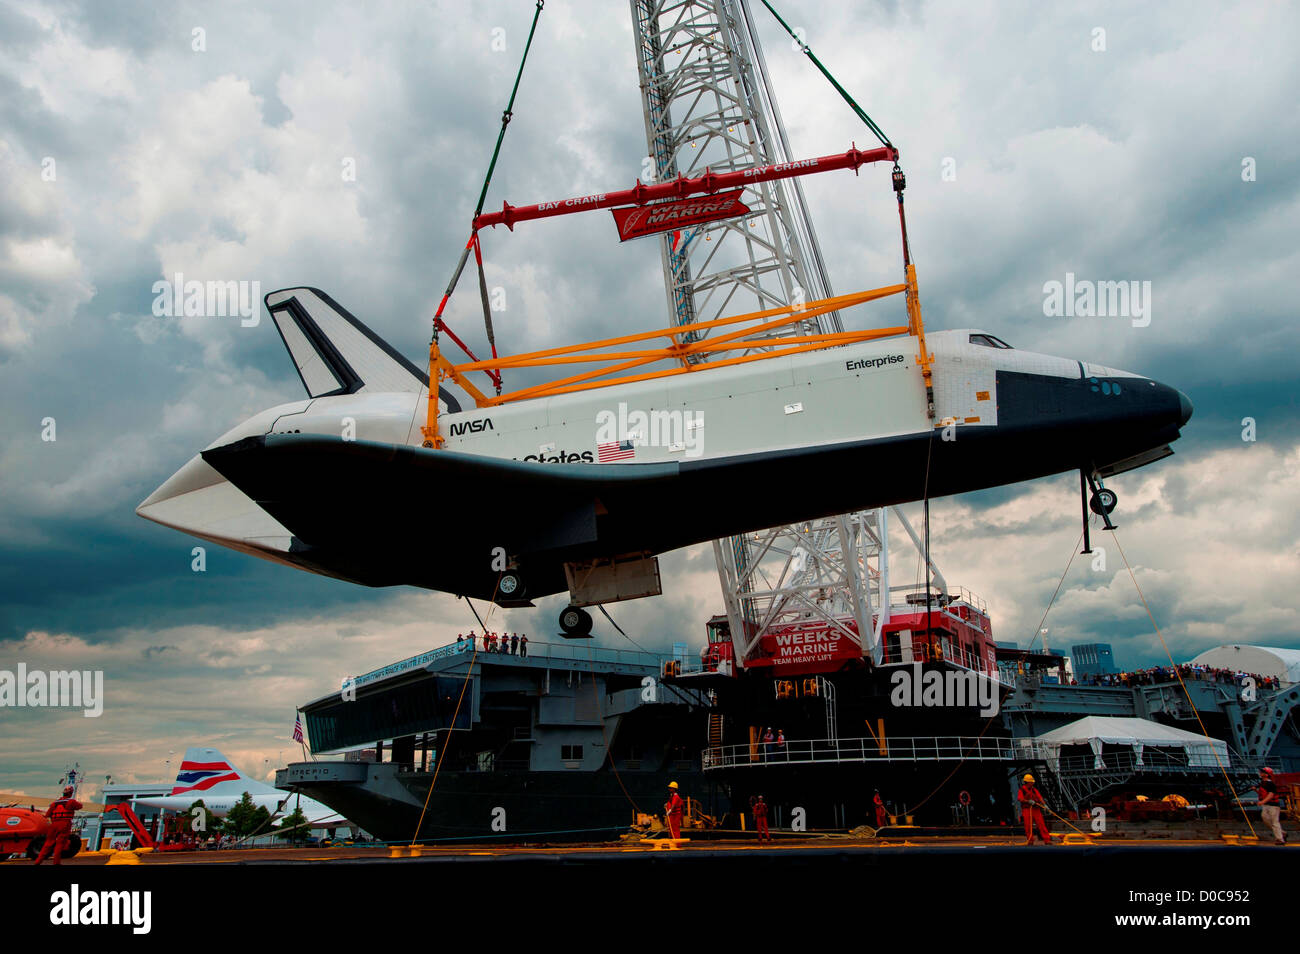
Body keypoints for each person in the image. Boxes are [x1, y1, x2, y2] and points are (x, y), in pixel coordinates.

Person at [34, 785, 83, 865]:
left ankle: (38, 862)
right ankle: (56, 863)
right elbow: (80, 806)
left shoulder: (54, 803)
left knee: (48, 843)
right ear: (71, 793)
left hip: (54, 824)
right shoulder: (71, 802)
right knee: (60, 844)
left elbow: (47, 814)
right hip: (65, 824)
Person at [1017, 773, 1052, 845]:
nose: (1033, 783)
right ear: (1027, 782)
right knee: (1028, 826)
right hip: (1027, 809)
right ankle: (1030, 840)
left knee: (1041, 824)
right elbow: (1020, 799)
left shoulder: (1034, 790)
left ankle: (1047, 839)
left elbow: (1040, 797)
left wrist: (1044, 805)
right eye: (1031, 782)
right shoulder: (1022, 790)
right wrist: (1028, 801)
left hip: (1036, 809)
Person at [1257, 767, 1287, 845]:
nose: (1260, 773)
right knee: (1265, 819)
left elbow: (1271, 794)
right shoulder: (1262, 783)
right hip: (1266, 805)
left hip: (1273, 806)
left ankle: (1280, 839)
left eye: (1262, 772)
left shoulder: (1270, 784)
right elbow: (1263, 793)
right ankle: (1282, 833)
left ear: (1267, 774)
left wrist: (1262, 801)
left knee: (1274, 822)